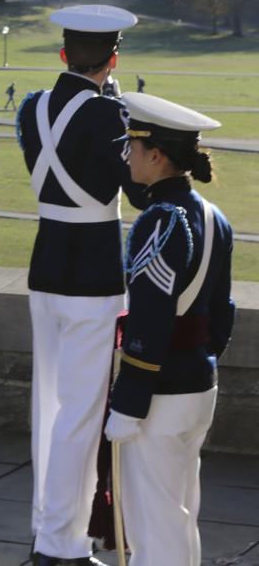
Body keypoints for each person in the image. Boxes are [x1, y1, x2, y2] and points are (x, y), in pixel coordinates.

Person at [16, 5, 149, 566]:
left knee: (49, 408)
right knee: (81, 413)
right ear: (113, 58)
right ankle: (62, 544)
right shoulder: (109, 116)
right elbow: (141, 193)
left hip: (45, 266)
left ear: (64, 54)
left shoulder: (31, 108)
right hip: (93, 275)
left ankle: (48, 530)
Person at [105, 93, 233, 566]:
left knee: (154, 521)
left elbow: (151, 317)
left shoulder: (160, 221)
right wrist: (200, 359)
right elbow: (222, 312)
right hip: (199, 380)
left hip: (161, 390)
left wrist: (130, 399)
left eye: (132, 147)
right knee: (179, 513)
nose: (126, 156)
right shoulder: (212, 216)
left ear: (155, 156)